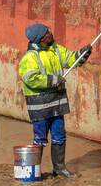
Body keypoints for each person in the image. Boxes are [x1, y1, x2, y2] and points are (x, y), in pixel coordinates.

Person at [18, 23, 90, 177]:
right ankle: (34, 171)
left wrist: (82, 55)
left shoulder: (56, 49)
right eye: (47, 32)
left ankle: (59, 168)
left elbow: (71, 59)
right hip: (40, 106)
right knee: (40, 139)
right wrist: (53, 80)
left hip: (57, 103)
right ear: (41, 38)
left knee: (59, 136)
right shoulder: (30, 57)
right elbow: (30, 78)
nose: (51, 33)